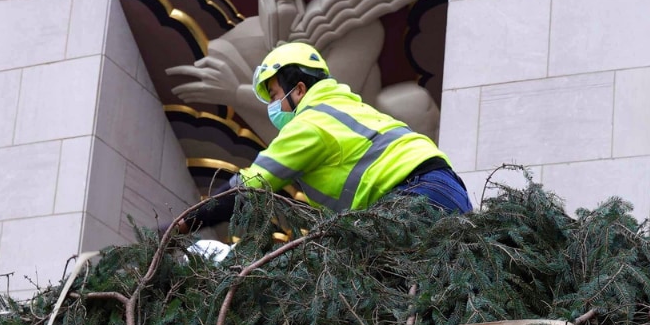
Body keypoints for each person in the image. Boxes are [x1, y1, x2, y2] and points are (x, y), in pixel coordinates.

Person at [170, 42, 470, 232]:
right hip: (449, 188)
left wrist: (188, 221)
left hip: (413, 196)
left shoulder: (309, 123)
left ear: (299, 89)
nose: (274, 107)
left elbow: (251, 185)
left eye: (275, 95)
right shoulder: (347, 106)